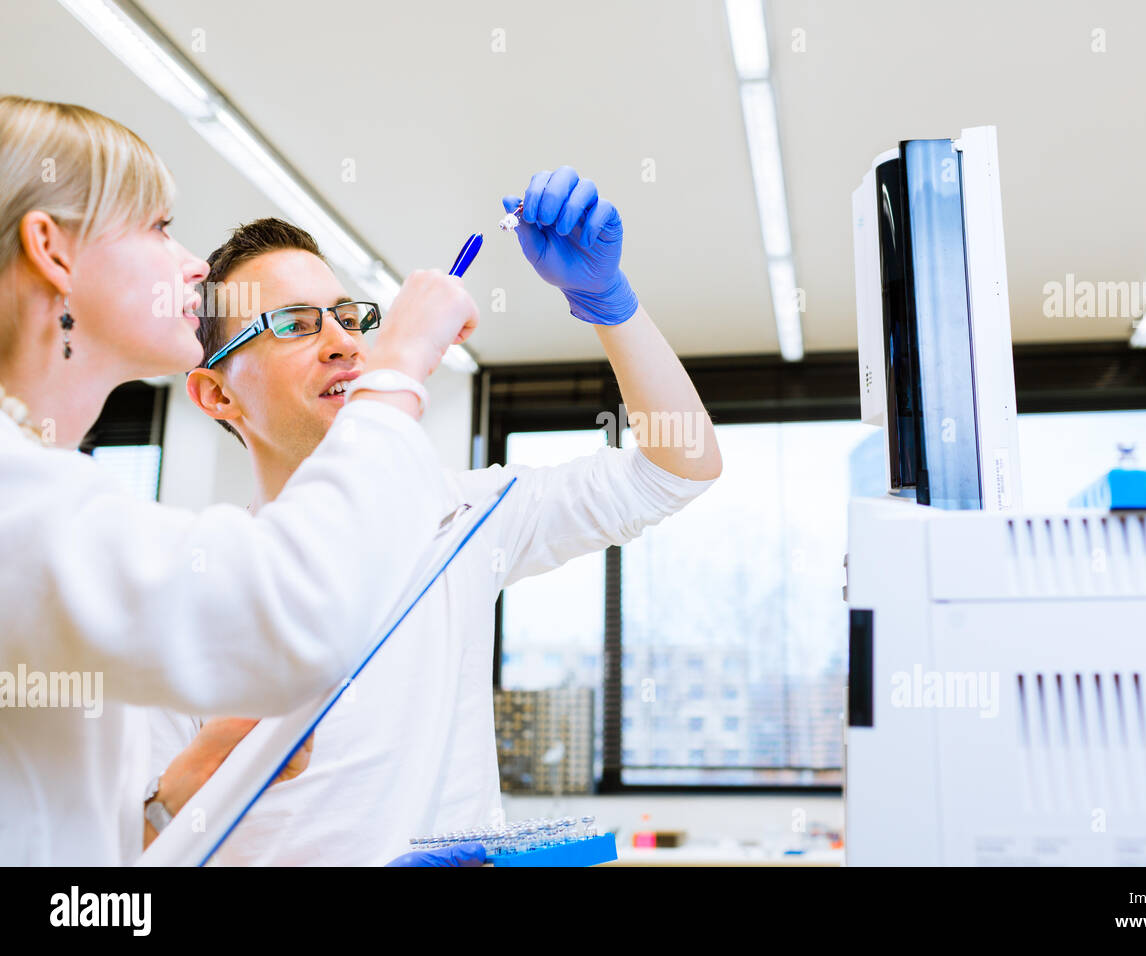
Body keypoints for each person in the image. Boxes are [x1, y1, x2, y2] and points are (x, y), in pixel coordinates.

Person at [148, 167, 722, 865]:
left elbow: (676, 469)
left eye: (351, 316)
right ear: (216, 395)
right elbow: (134, 855)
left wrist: (607, 302)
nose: (342, 342)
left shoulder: (460, 516)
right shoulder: (193, 590)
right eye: (294, 325)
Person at [0, 96, 479, 865]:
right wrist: (396, 370)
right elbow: (296, 615)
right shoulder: (16, 499)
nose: (192, 264)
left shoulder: (54, 487)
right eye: (157, 227)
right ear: (52, 251)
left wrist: (167, 806)